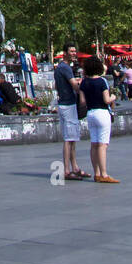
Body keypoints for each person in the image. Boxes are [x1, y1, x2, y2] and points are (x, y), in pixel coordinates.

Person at [79, 56, 119, 183]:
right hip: (102, 113)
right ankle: (104, 174)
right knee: (102, 145)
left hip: (90, 113)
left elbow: (82, 102)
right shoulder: (102, 81)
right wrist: (113, 97)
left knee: (94, 144)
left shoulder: (84, 82)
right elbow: (106, 100)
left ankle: (96, 173)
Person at [54, 43, 90, 180]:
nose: (74, 53)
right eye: (71, 51)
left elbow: (57, 85)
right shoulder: (66, 68)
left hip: (65, 103)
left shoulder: (59, 68)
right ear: (65, 52)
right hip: (68, 105)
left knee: (72, 137)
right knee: (69, 138)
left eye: (75, 51)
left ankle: (74, 167)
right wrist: (83, 92)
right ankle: (67, 170)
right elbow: (75, 86)